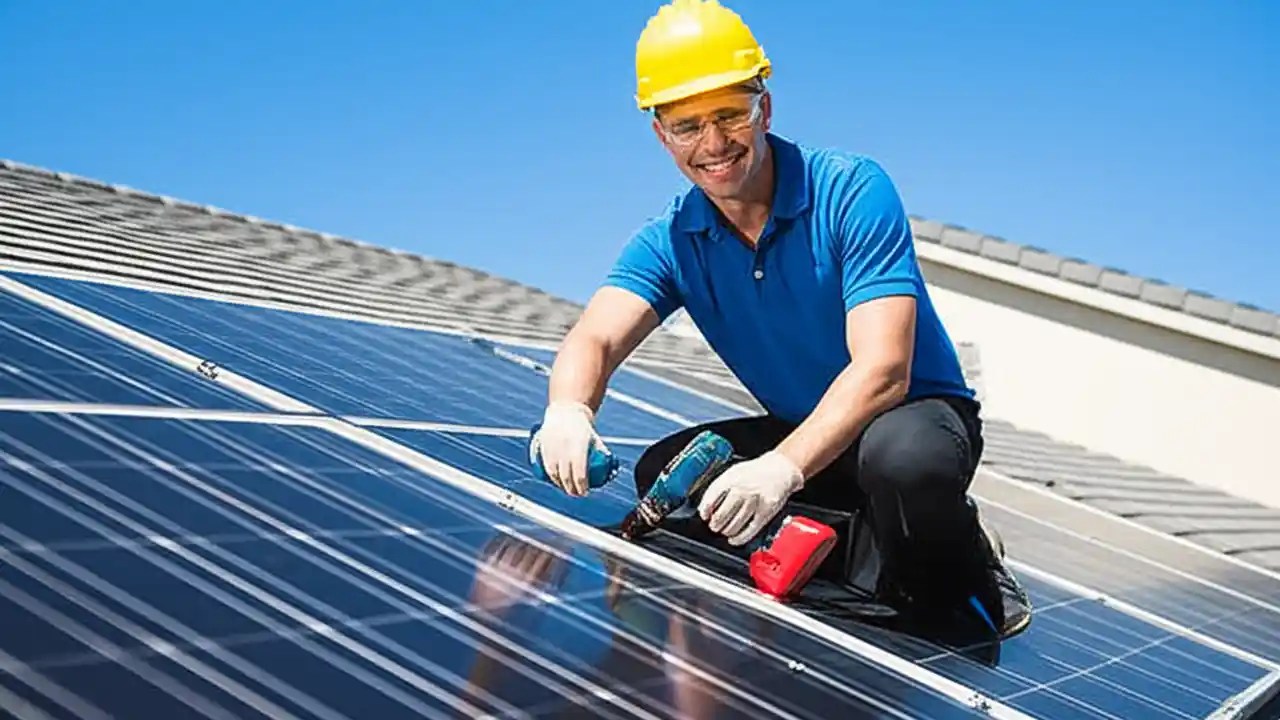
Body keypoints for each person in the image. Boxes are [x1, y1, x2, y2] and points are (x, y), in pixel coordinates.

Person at [532, 0, 1031, 639]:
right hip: (810, 431)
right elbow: (596, 337)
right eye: (687, 126)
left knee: (902, 464)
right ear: (661, 135)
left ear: (764, 108)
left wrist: (783, 467)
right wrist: (568, 410)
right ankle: (870, 548)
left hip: (913, 420)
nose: (713, 143)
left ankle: (963, 569)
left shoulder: (850, 191)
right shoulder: (673, 240)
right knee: (668, 474)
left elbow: (884, 370)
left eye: (730, 114)